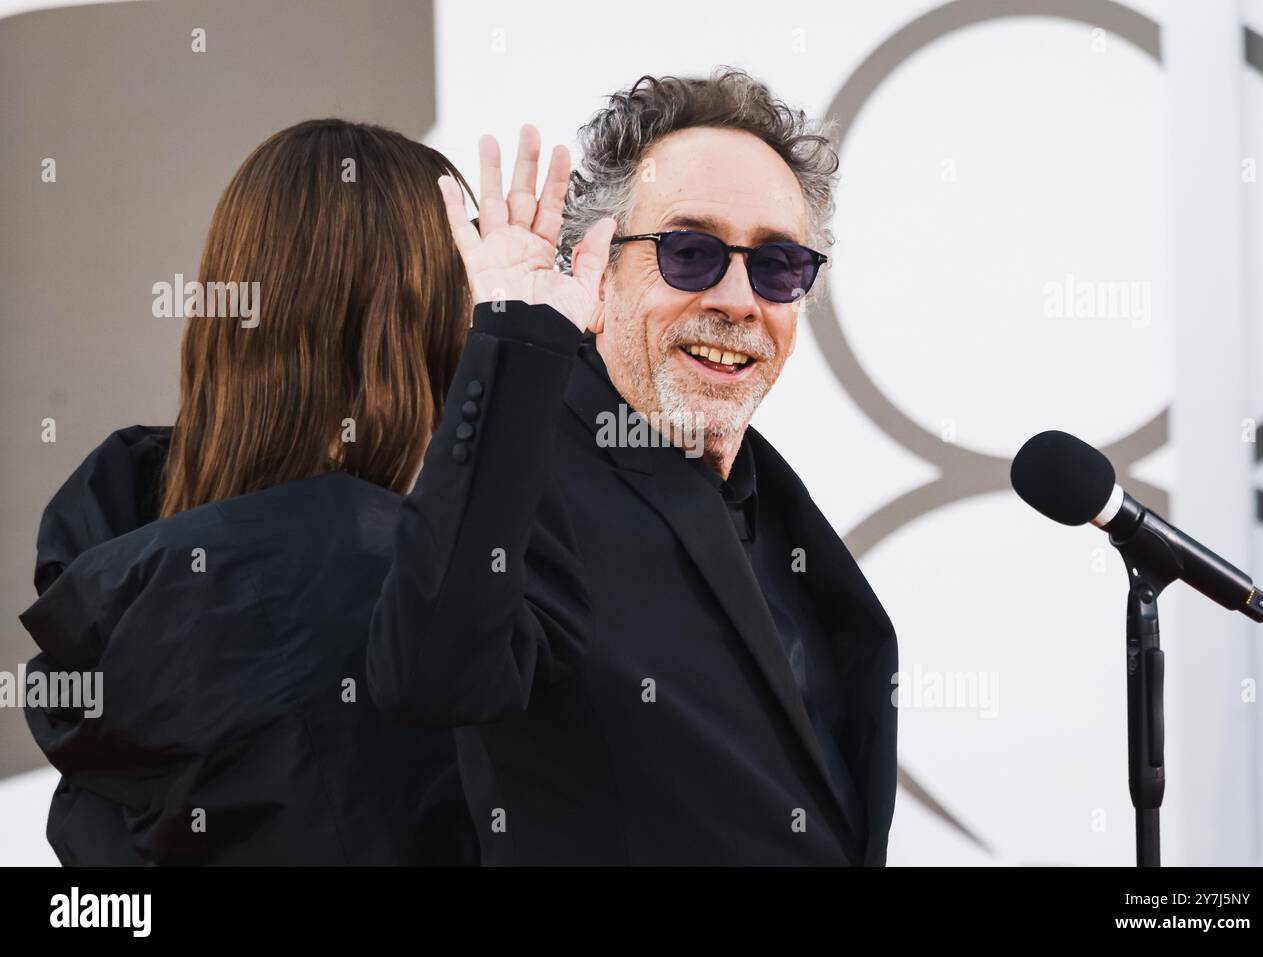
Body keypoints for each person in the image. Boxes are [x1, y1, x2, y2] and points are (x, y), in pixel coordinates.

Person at [368, 69, 899, 865]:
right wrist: (512, 344)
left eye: (778, 264)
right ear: (602, 275)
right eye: (690, 253)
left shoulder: (775, 506)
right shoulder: (533, 484)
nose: (737, 299)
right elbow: (429, 674)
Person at [21, 119, 478, 865]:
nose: (490, 318)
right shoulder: (388, 619)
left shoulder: (130, 607)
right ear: (399, 339)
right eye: (476, 282)